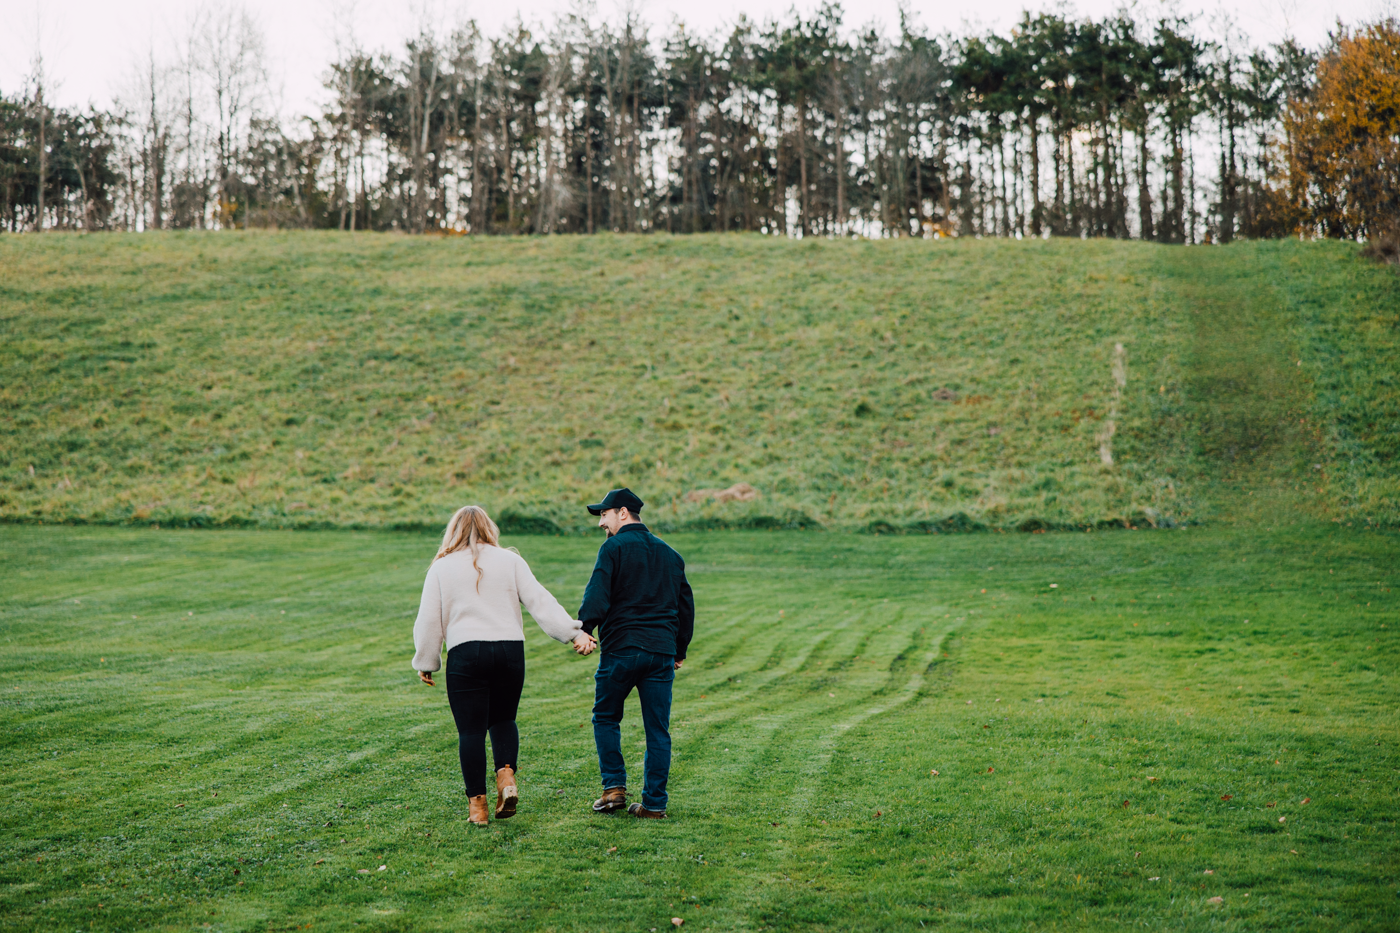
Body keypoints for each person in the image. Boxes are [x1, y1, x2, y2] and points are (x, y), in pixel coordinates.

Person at [412, 505, 597, 826]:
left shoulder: (440, 569)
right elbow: (540, 601)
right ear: (489, 528)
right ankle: (506, 778)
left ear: (452, 531)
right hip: (510, 652)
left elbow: (429, 620)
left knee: (470, 731)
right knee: (502, 719)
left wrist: (427, 661)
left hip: (466, 653)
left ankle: (478, 809)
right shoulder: (511, 561)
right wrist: (574, 633)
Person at [580, 488, 695, 819]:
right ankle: (655, 803)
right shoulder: (671, 554)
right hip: (661, 652)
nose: (601, 522)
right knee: (658, 729)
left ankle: (614, 788)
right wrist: (679, 648)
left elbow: (598, 595)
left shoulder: (613, 549)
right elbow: (685, 606)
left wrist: (585, 628)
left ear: (623, 513)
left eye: (604, 514)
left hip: (622, 649)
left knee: (606, 717)